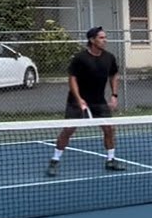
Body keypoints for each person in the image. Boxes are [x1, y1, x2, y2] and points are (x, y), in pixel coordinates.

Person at [47, 26, 125, 176]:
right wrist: (79, 99)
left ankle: (111, 160)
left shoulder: (109, 57)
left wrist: (114, 96)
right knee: (68, 130)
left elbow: (114, 75)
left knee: (110, 129)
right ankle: (54, 161)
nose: (105, 40)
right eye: (101, 38)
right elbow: (72, 79)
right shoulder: (80, 58)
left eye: (105, 37)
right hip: (76, 102)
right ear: (92, 40)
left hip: (99, 101)